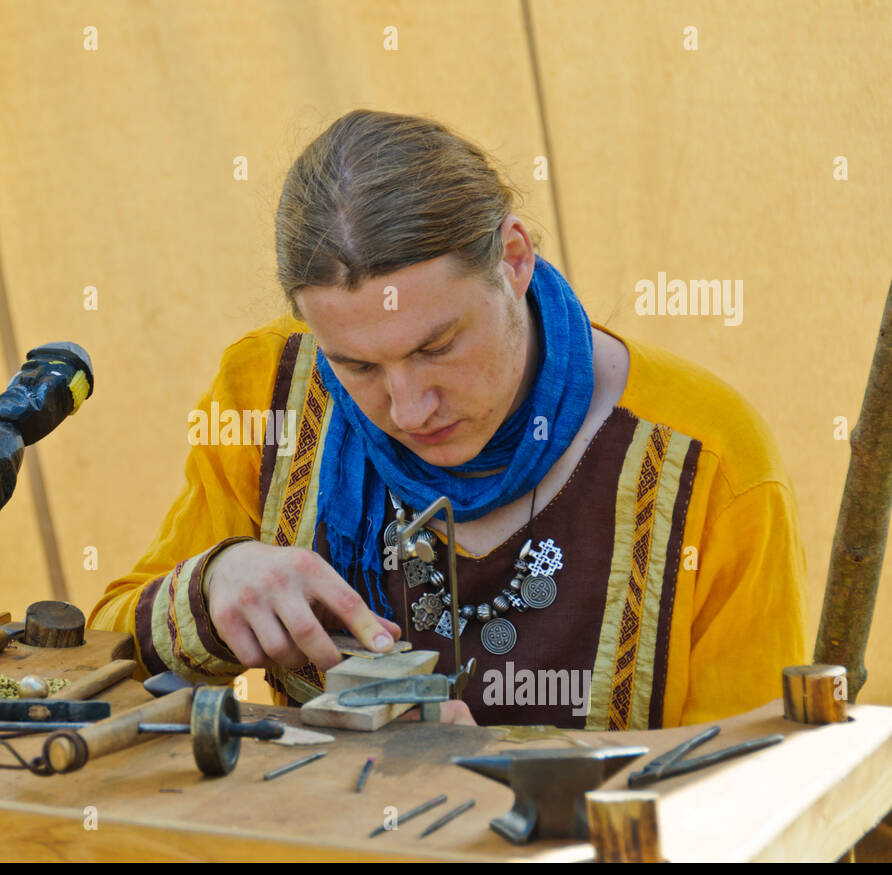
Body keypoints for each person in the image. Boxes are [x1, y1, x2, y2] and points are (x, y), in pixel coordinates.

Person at [88, 109, 807, 729]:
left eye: (435, 346)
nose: (406, 408)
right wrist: (215, 586)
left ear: (514, 258)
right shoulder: (269, 394)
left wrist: (490, 777)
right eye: (357, 366)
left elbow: (750, 799)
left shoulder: (709, 460)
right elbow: (96, 659)